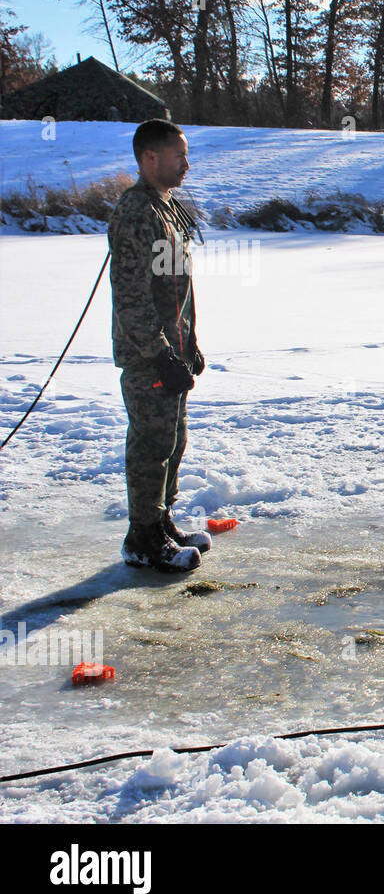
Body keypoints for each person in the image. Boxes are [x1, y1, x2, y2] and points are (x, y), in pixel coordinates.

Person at [108, 119, 211, 571]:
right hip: (149, 355)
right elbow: (130, 297)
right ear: (150, 158)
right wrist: (160, 353)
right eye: (178, 156)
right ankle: (143, 538)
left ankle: (161, 522)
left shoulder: (167, 208)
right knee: (151, 443)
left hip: (172, 352)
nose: (186, 164)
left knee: (173, 441)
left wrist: (189, 344)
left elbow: (175, 288)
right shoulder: (135, 212)